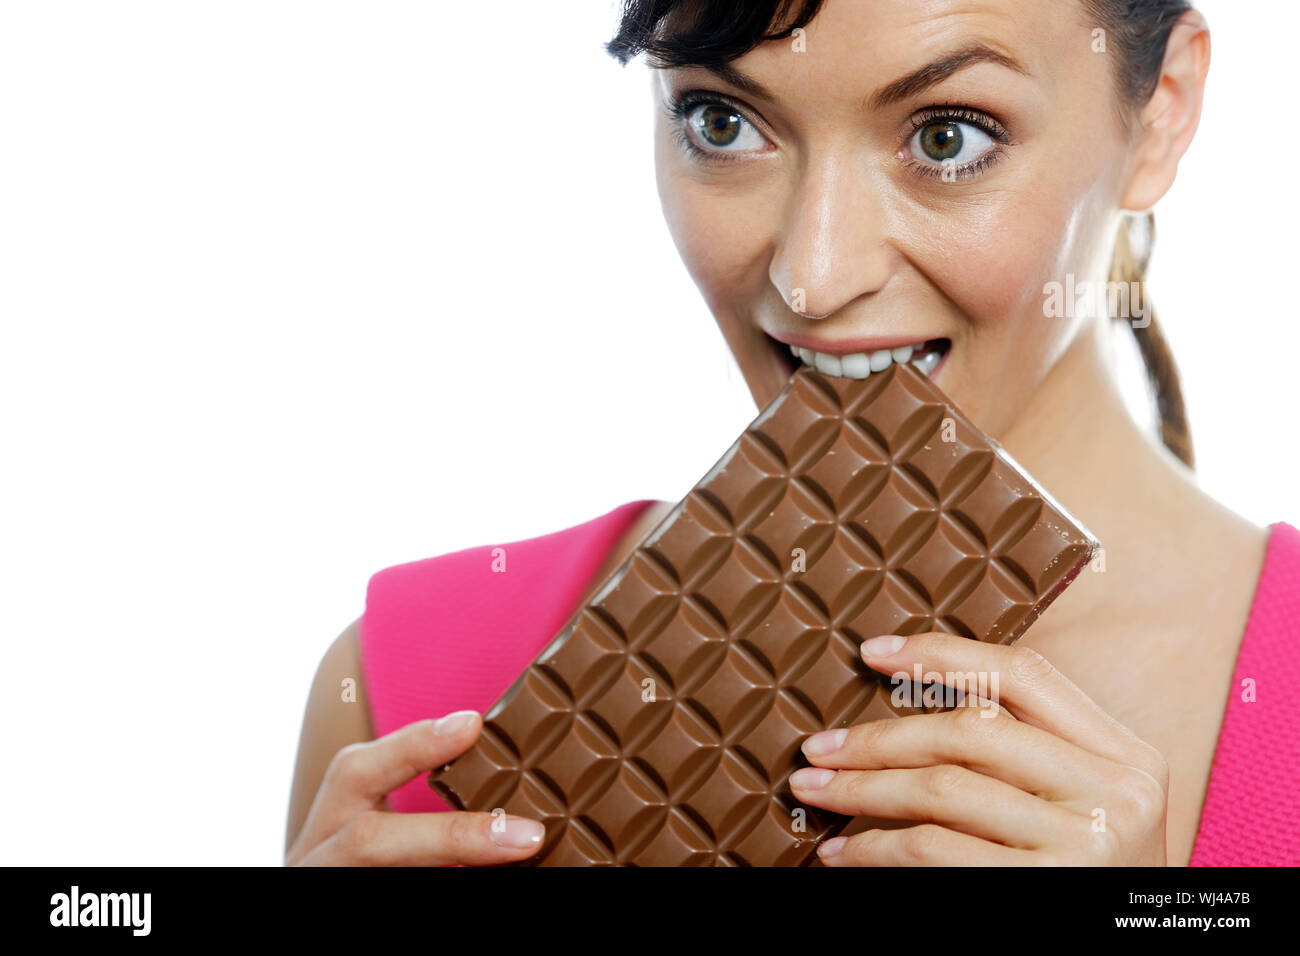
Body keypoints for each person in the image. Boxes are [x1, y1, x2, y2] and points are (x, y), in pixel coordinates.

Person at [284, 0, 1299, 866]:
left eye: (947, 135)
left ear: (1161, 111)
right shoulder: (406, 696)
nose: (811, 273)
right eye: (721, 122)